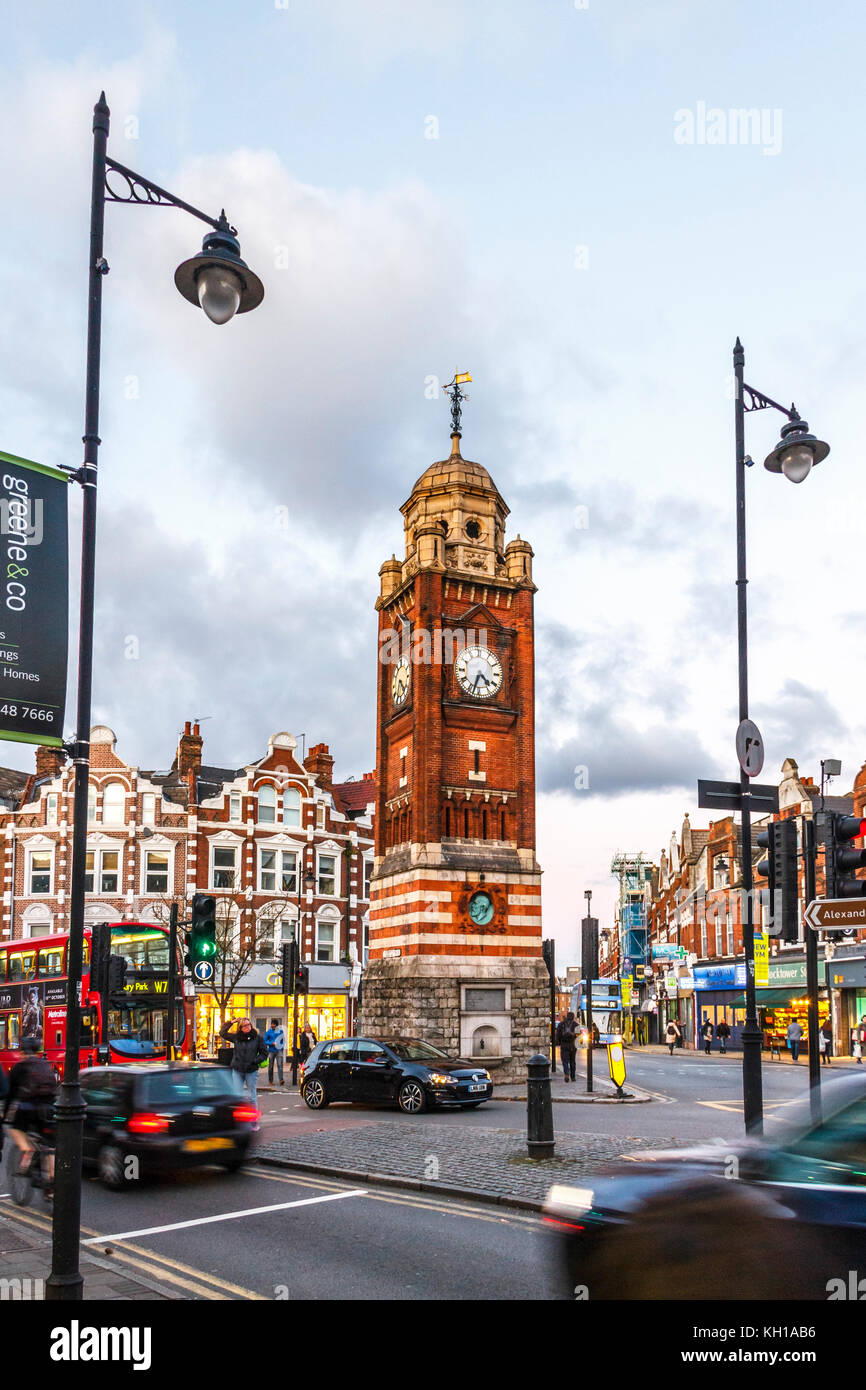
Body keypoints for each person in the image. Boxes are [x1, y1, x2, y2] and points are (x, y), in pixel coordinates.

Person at [3, 1037, 57, 1185]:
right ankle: (52, 1180)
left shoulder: (19, 1067)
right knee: (49, 1145)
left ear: (22, 1052)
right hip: (48, 1109)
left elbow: (10, 1094)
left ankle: (26, 1150)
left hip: (27, 1108)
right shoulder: (46, 1065)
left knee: (16, 1129)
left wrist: (6, 1116)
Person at [219, 1017, 267, 1103]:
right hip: (238, 1070)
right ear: (240, 1028)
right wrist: (232, 1022)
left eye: (248, 1025)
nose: (247, 1027)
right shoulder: (237, 1037)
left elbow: (264, 1054)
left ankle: (254, 1115)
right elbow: (222, 1033)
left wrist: (254, 1061)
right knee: (237, 1095)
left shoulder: (257, 1038)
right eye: (244, 1026)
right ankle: (238, 1115)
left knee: (252, 1096)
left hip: (251, 1070)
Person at [555, 1010, 578, 1082]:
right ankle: (573, 1077)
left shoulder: (561, 1024)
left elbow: (558, 1034)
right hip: (573, 1045)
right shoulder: (576, 1025)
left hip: (564, 1044)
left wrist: (558, 1043)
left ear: (567, 1016)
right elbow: (578, 1035)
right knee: (572, 1061)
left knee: (565, 1060)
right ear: (573, 1017)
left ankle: (566, 1072)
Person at [264, 1018, 285, 1086]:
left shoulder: (280, 1031)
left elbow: (283, 1040)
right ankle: (270, 1081)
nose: (272, 1025)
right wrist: (271, 1043)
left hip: (279, 1050)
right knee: (270, 1066)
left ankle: (281, 1079)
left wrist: (281, 1047)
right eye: (272, 1024)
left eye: (274, 1024)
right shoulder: (268, 1032)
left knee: (280, 1065)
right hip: (271, 1050)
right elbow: (265, 1041)